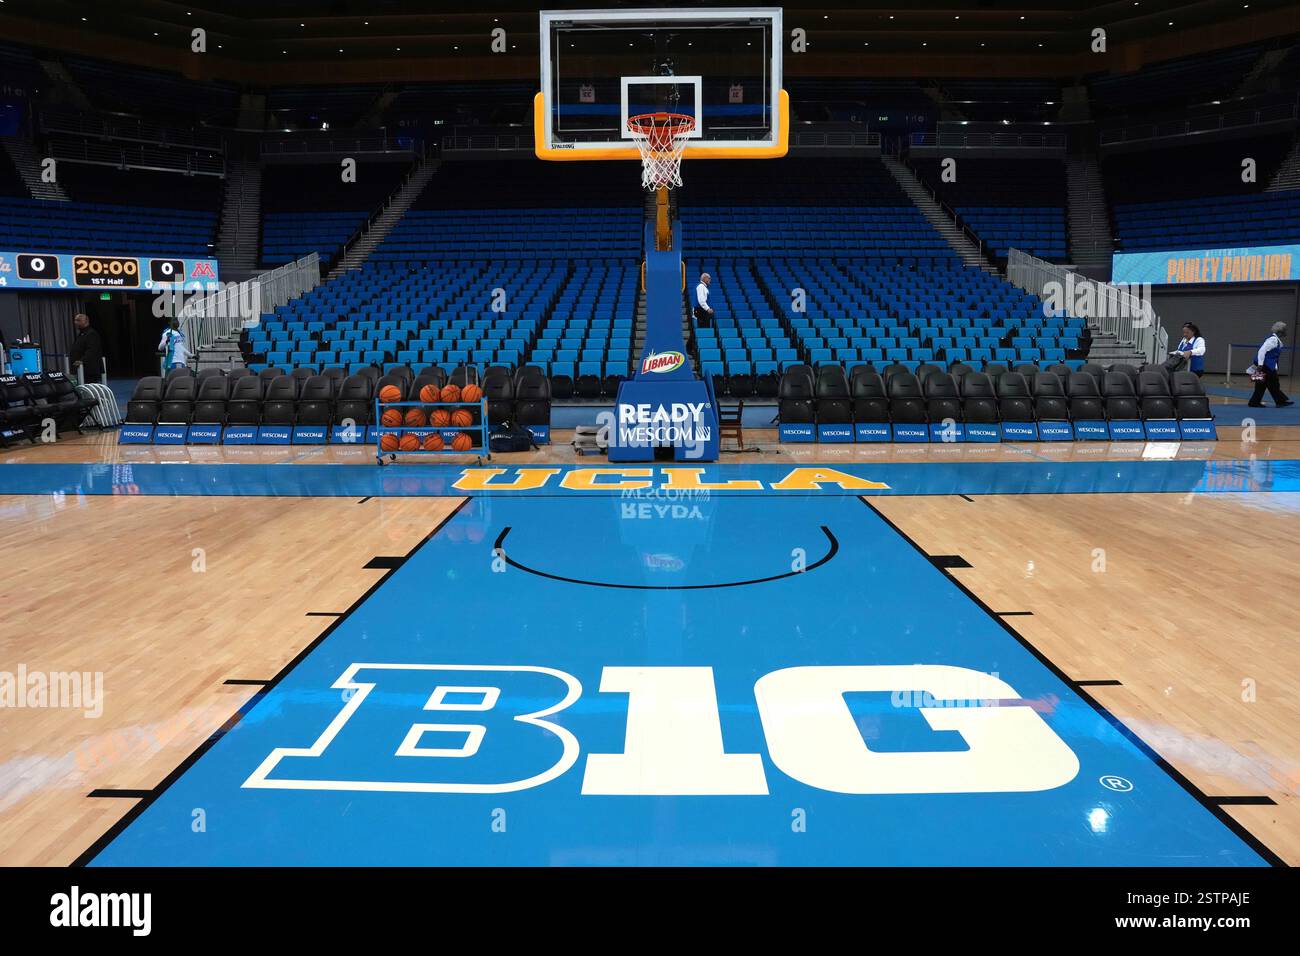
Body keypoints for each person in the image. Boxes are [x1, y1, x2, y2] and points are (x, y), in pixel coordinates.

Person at [1247, 322, 1293, 408]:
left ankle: (1254, 402)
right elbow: (1262, 351)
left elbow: (1272, 356)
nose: (1286, 332)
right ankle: (1280, 401)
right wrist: (1260, 365)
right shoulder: (1273, 340)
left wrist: (1274, 368)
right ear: (1280, 331)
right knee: (1274, 383)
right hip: (1265, 365)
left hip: (1266, 365)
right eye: (1285, 330)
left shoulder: (1276, 340)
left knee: (1261, 384)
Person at [68, 312, 104, 385]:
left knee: (90, 389)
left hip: (89, 369)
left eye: (78, 320)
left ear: (86, 321)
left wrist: (82, 361)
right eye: (75, 320)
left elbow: (92, 350)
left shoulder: (91, 333)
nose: (75, 322)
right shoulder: (82, 333)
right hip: (81, 369)